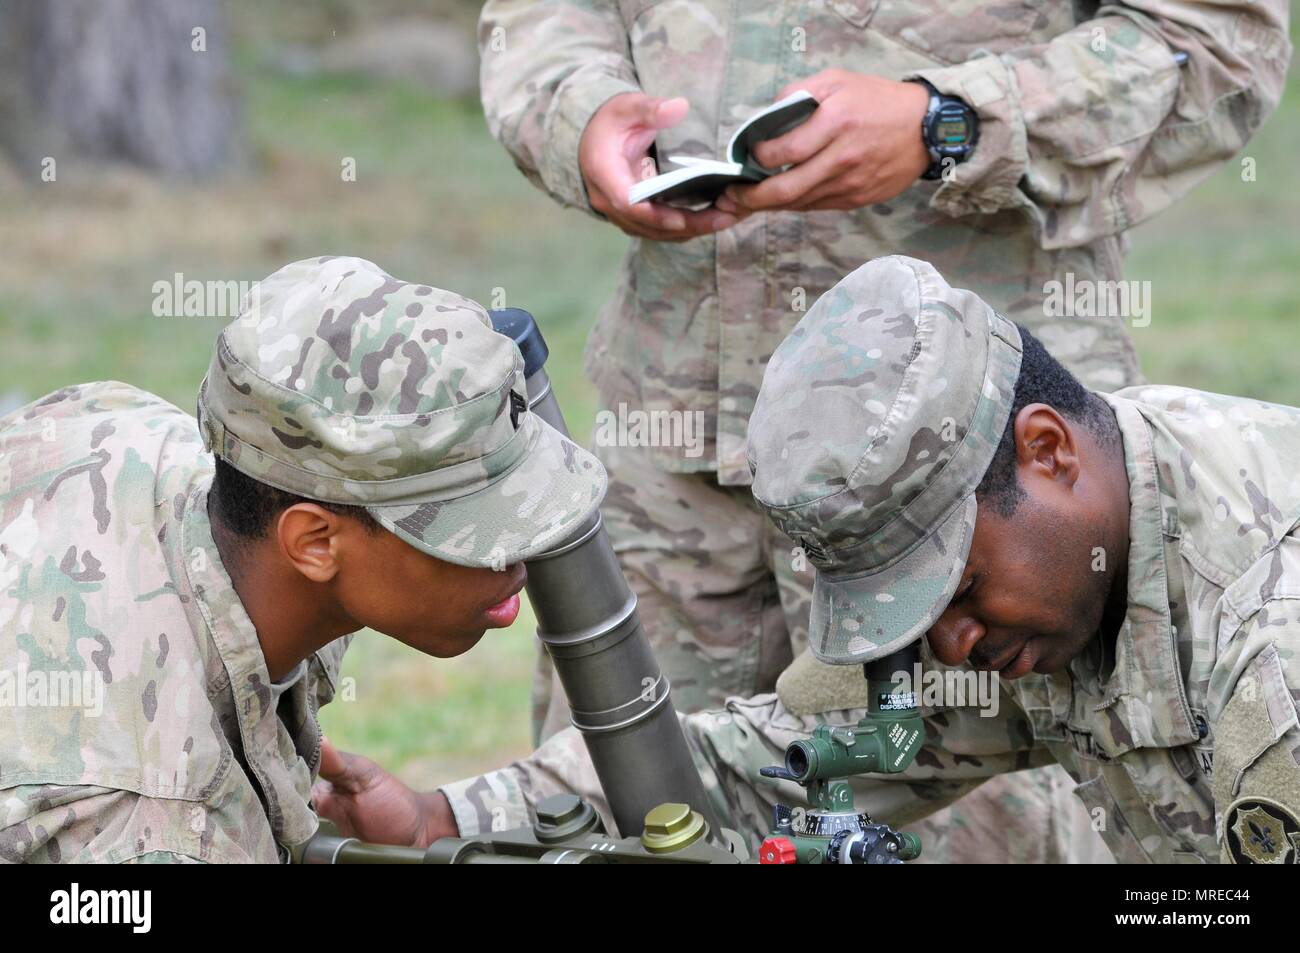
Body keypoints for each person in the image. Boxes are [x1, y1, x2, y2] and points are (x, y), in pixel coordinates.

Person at [473, 0, 1290, 860]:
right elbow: (543, 16)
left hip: (966, 462)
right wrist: (579, 112)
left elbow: (1218, 40)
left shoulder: (1227, 612)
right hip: (669, 441)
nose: (948, 641)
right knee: (639, 820)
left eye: (956, 602)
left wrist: (954, 118)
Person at [417, 256, 1300, 864]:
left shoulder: (1271, 638)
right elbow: (772, 760)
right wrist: (446, 818)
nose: (950, 644)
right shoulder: (1054, 571)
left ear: (1048, 451)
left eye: (954, 587)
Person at [0, 256, 606, 863]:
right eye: (470, 529)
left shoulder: (130, 441)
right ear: (314, 543)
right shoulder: (158, 830)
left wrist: (431, 820)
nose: (521, 552)